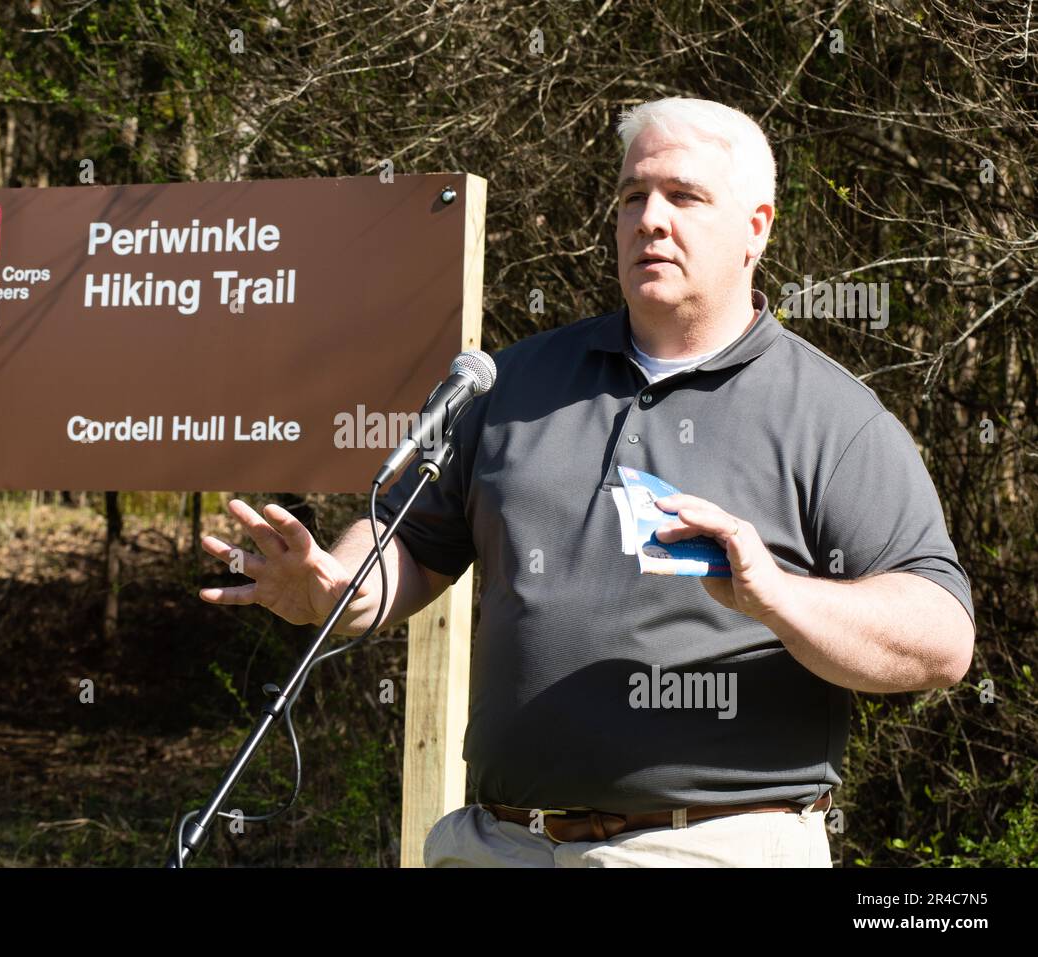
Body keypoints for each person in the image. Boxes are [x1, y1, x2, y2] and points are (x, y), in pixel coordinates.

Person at [198, 97, 976, 867]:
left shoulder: (832, 416)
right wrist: (341, 588)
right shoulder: (512, 382)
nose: (650, 219)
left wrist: (777, 593)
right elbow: (414, 546)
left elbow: (941, 637)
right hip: (497, 841)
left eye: (685, 196)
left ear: (757, 229)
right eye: (632, 197)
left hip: (713, 843)